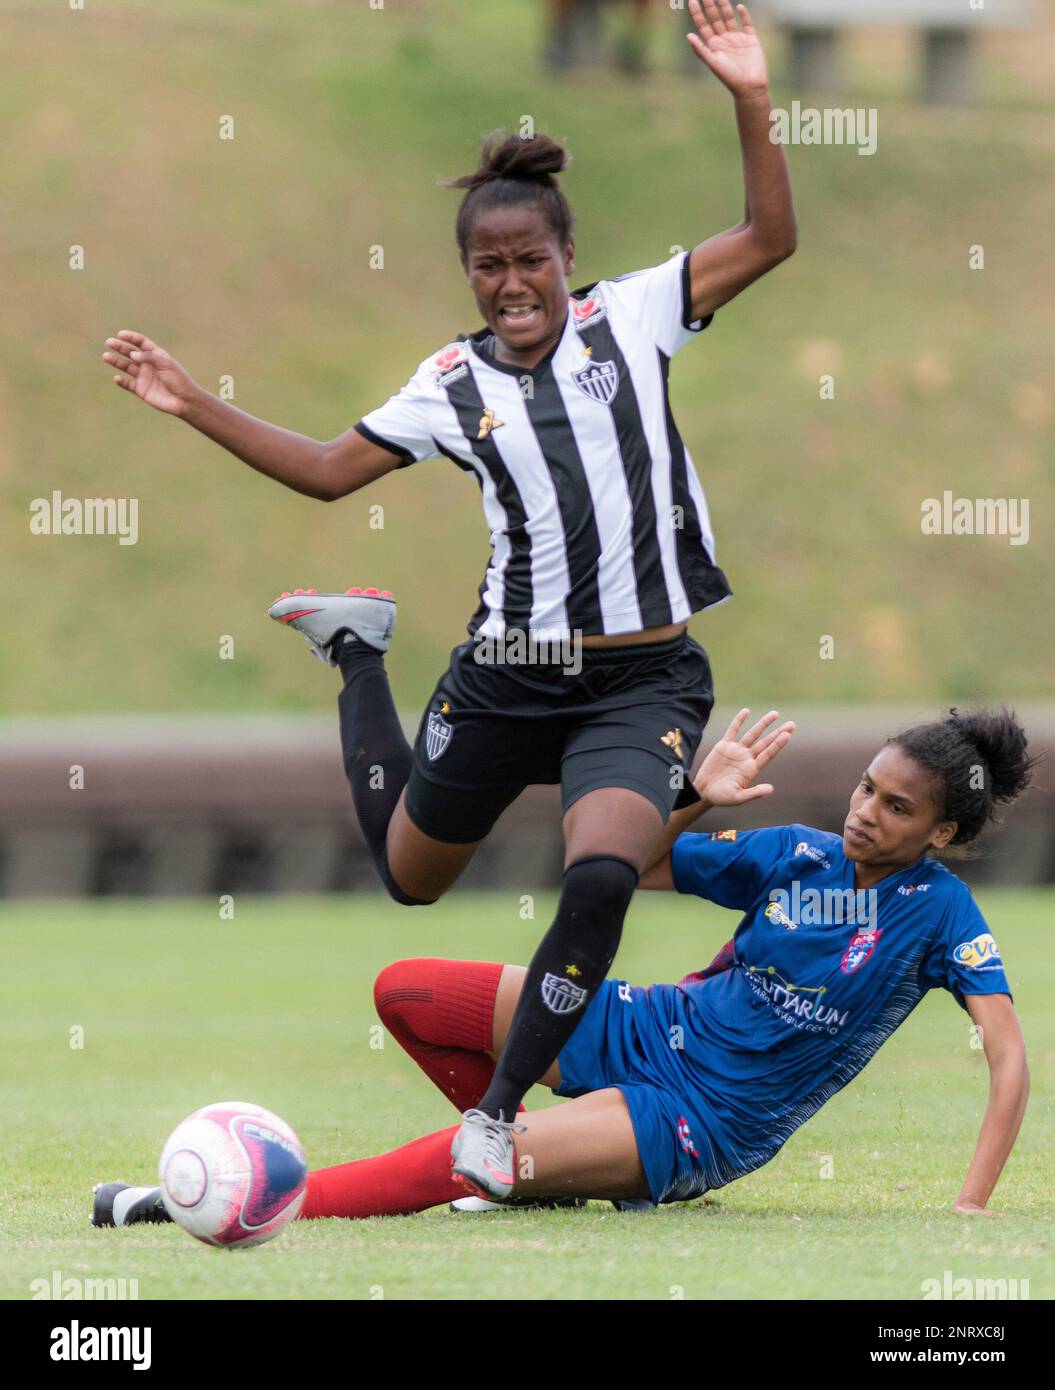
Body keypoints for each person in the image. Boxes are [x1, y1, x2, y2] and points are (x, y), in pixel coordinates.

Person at [100, 1, 797, 1196]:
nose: (513, 281)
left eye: (532, 260)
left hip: (643, 676)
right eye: (490, 265)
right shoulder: (445, 381)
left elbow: (769, 236)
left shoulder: (634, 316)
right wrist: (192, 401)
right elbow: (328, 470)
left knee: (599, 874)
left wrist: (746, 94)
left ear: (567, 260)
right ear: (467, 274)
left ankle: (493, 1114)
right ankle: (357, 650)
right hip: (507, 671)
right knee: (409, 873)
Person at [92, 706, 1032, 1225]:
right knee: (408, 993)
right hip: (640, 1024)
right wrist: (694, 798)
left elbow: (1006, 1059)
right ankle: (542, 1163)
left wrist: (969, 1204)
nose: (867, 809)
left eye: (898, 808)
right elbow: (635, 864)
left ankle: (209, 1206)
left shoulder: (944, 919)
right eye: (868, 786)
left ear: (941, 832)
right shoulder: (793, 853)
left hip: (699, 1119)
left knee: (472, 1159)